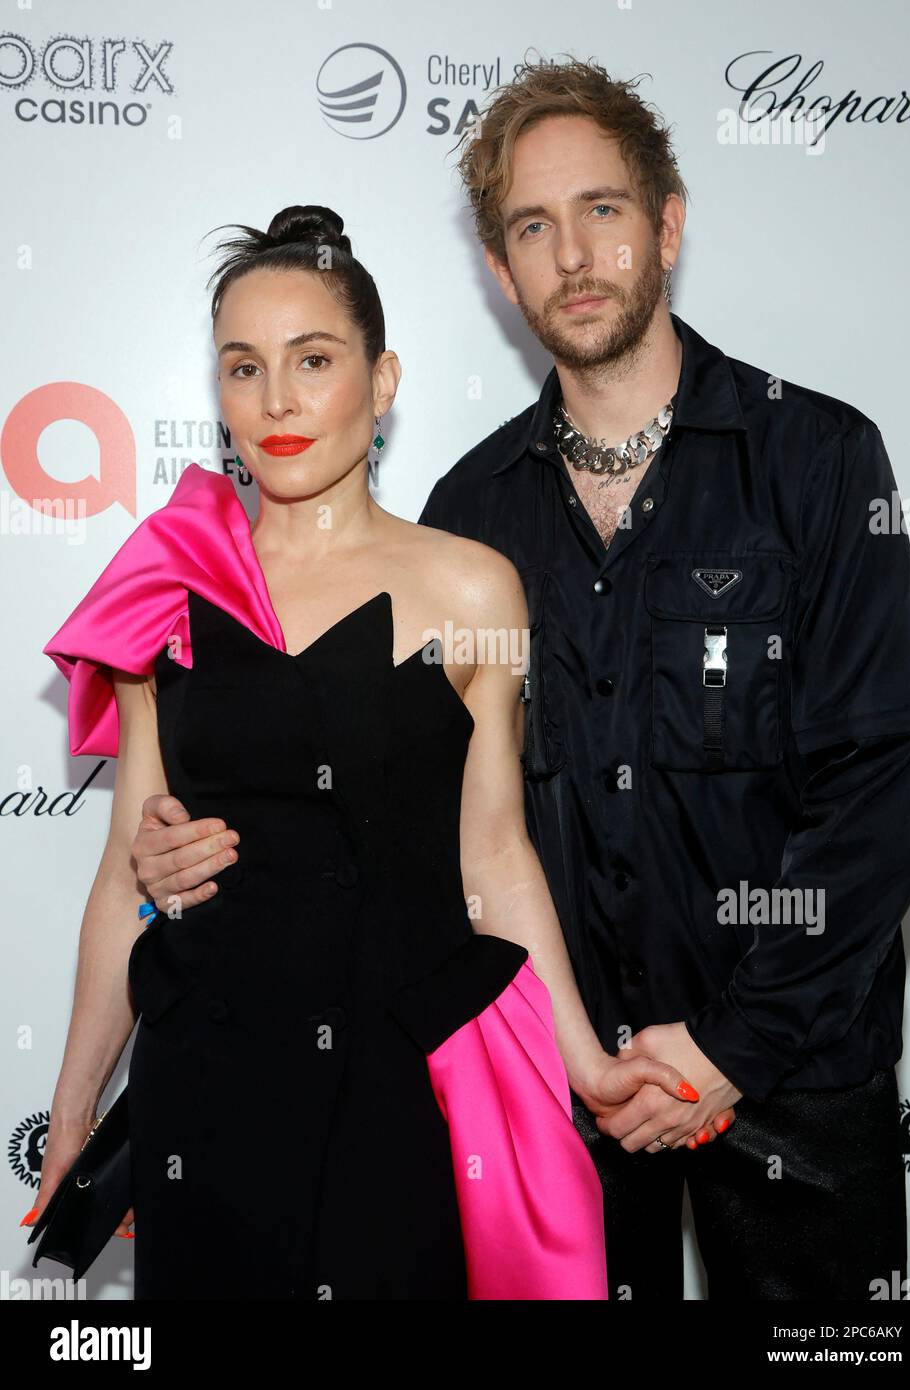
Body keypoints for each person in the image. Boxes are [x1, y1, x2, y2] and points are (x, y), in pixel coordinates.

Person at [129, 60, 910, 1302]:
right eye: (531, 226)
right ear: (499, 272)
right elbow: (429, 830)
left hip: (796, 1080)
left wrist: (732, 1046)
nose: (572, 254)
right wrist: (183, 836)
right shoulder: (469, 516)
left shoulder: (817, 461)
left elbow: (875, 787)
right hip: (554, 1086)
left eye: (602, 209)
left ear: (666, 223)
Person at [30, 203, 720, 1301]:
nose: (278, 401)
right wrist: (72, 1112)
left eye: (313, 360)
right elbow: (127, 875)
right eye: (244, 368)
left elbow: (494, 856)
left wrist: (585, 1059)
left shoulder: (473, 586)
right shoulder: (167, 584)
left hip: (396, 1073)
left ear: (382, 379)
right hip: (205, 1076)